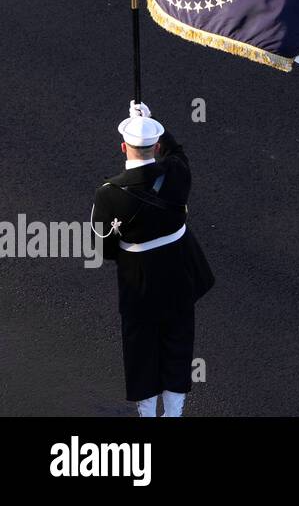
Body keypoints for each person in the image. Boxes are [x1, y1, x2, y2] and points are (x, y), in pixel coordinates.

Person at [91, 103, 214, 417]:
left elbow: (104, 248)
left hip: (139, 277)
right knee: (177, 342)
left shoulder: (108, 194)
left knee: (141, 349)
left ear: (123, 147)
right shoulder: (176, 174)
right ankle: (173, 414)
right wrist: (150, 119)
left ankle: (147, 415)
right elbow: (177, 153)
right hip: (179, 269)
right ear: (156, 147)